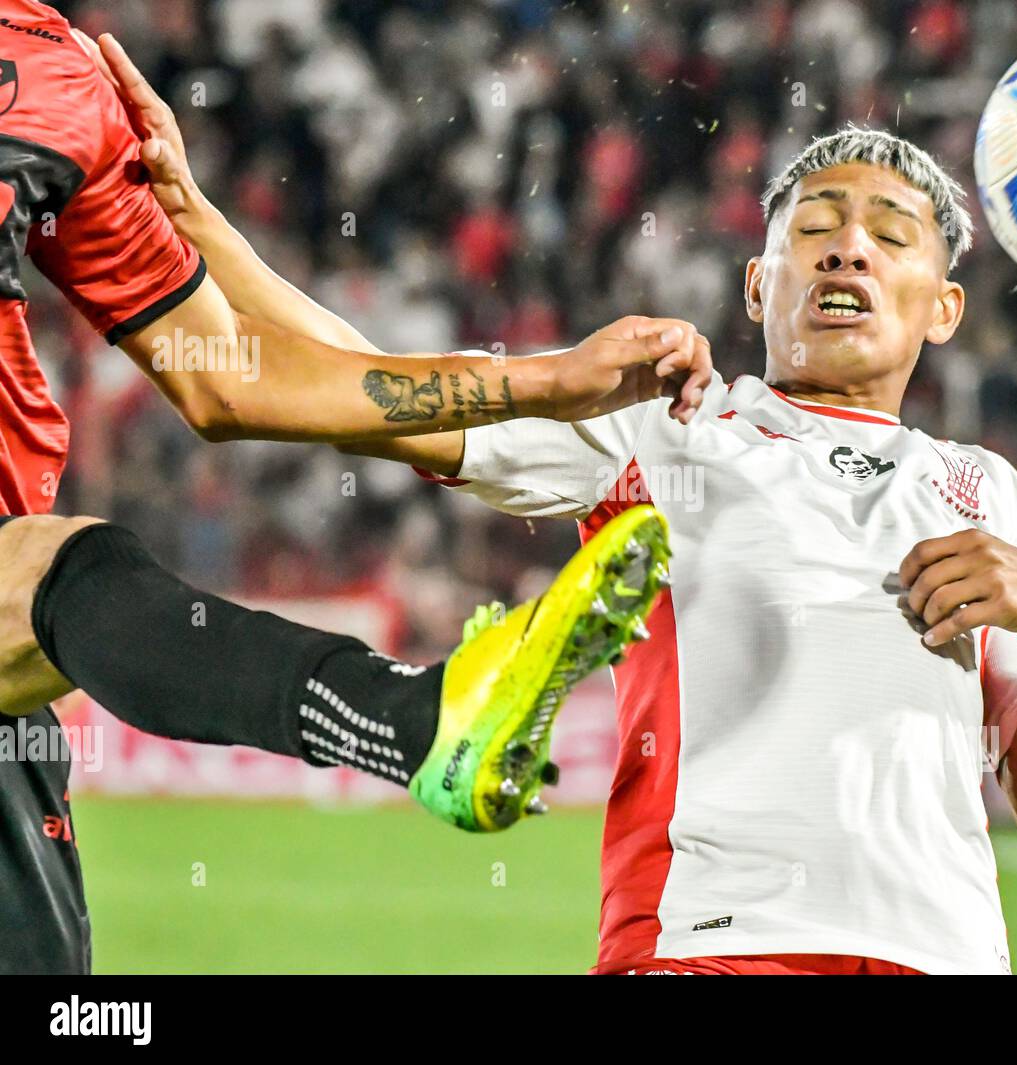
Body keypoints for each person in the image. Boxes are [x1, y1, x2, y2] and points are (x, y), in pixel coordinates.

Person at [104, 41, 1017, 975]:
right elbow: (362, 382)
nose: (847, 249)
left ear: (943, 308)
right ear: (758, 287)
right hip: (711, 946)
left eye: (890, 236)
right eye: (813, 230)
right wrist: (194, 221)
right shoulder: (659, 425)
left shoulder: (994, 495)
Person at [0, 2, 703, 974]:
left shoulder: (53, 69)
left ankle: (429, 722)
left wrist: (547, 381)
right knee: (42, 574)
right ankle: (414, 720)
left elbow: (229, 375)